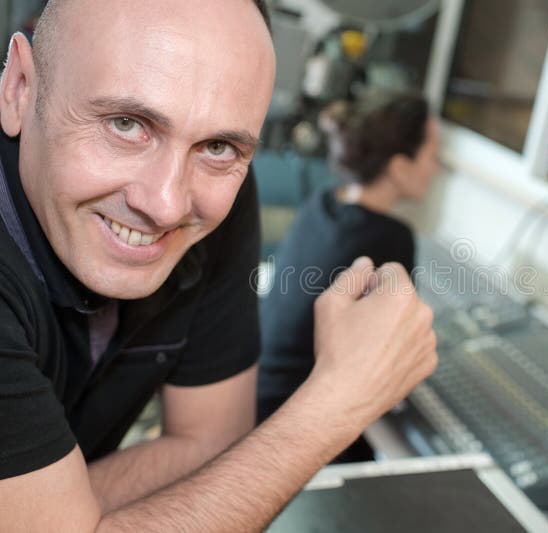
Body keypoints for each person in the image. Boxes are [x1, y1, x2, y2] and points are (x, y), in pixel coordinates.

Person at [0, 1, 437, 531]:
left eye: (217, 145)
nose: (167, 205)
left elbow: (212, 440)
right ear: (19, 89)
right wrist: (337, 401)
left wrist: (54, 508)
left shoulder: (215, 202)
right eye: (125, 123)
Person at [257, 93, 440, 462]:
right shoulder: (391, 237)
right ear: (400, 167)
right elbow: (392, 352)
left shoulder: (324, 202)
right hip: (294, 425)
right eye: (431, 157)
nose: (436, 169)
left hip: (257, 396)